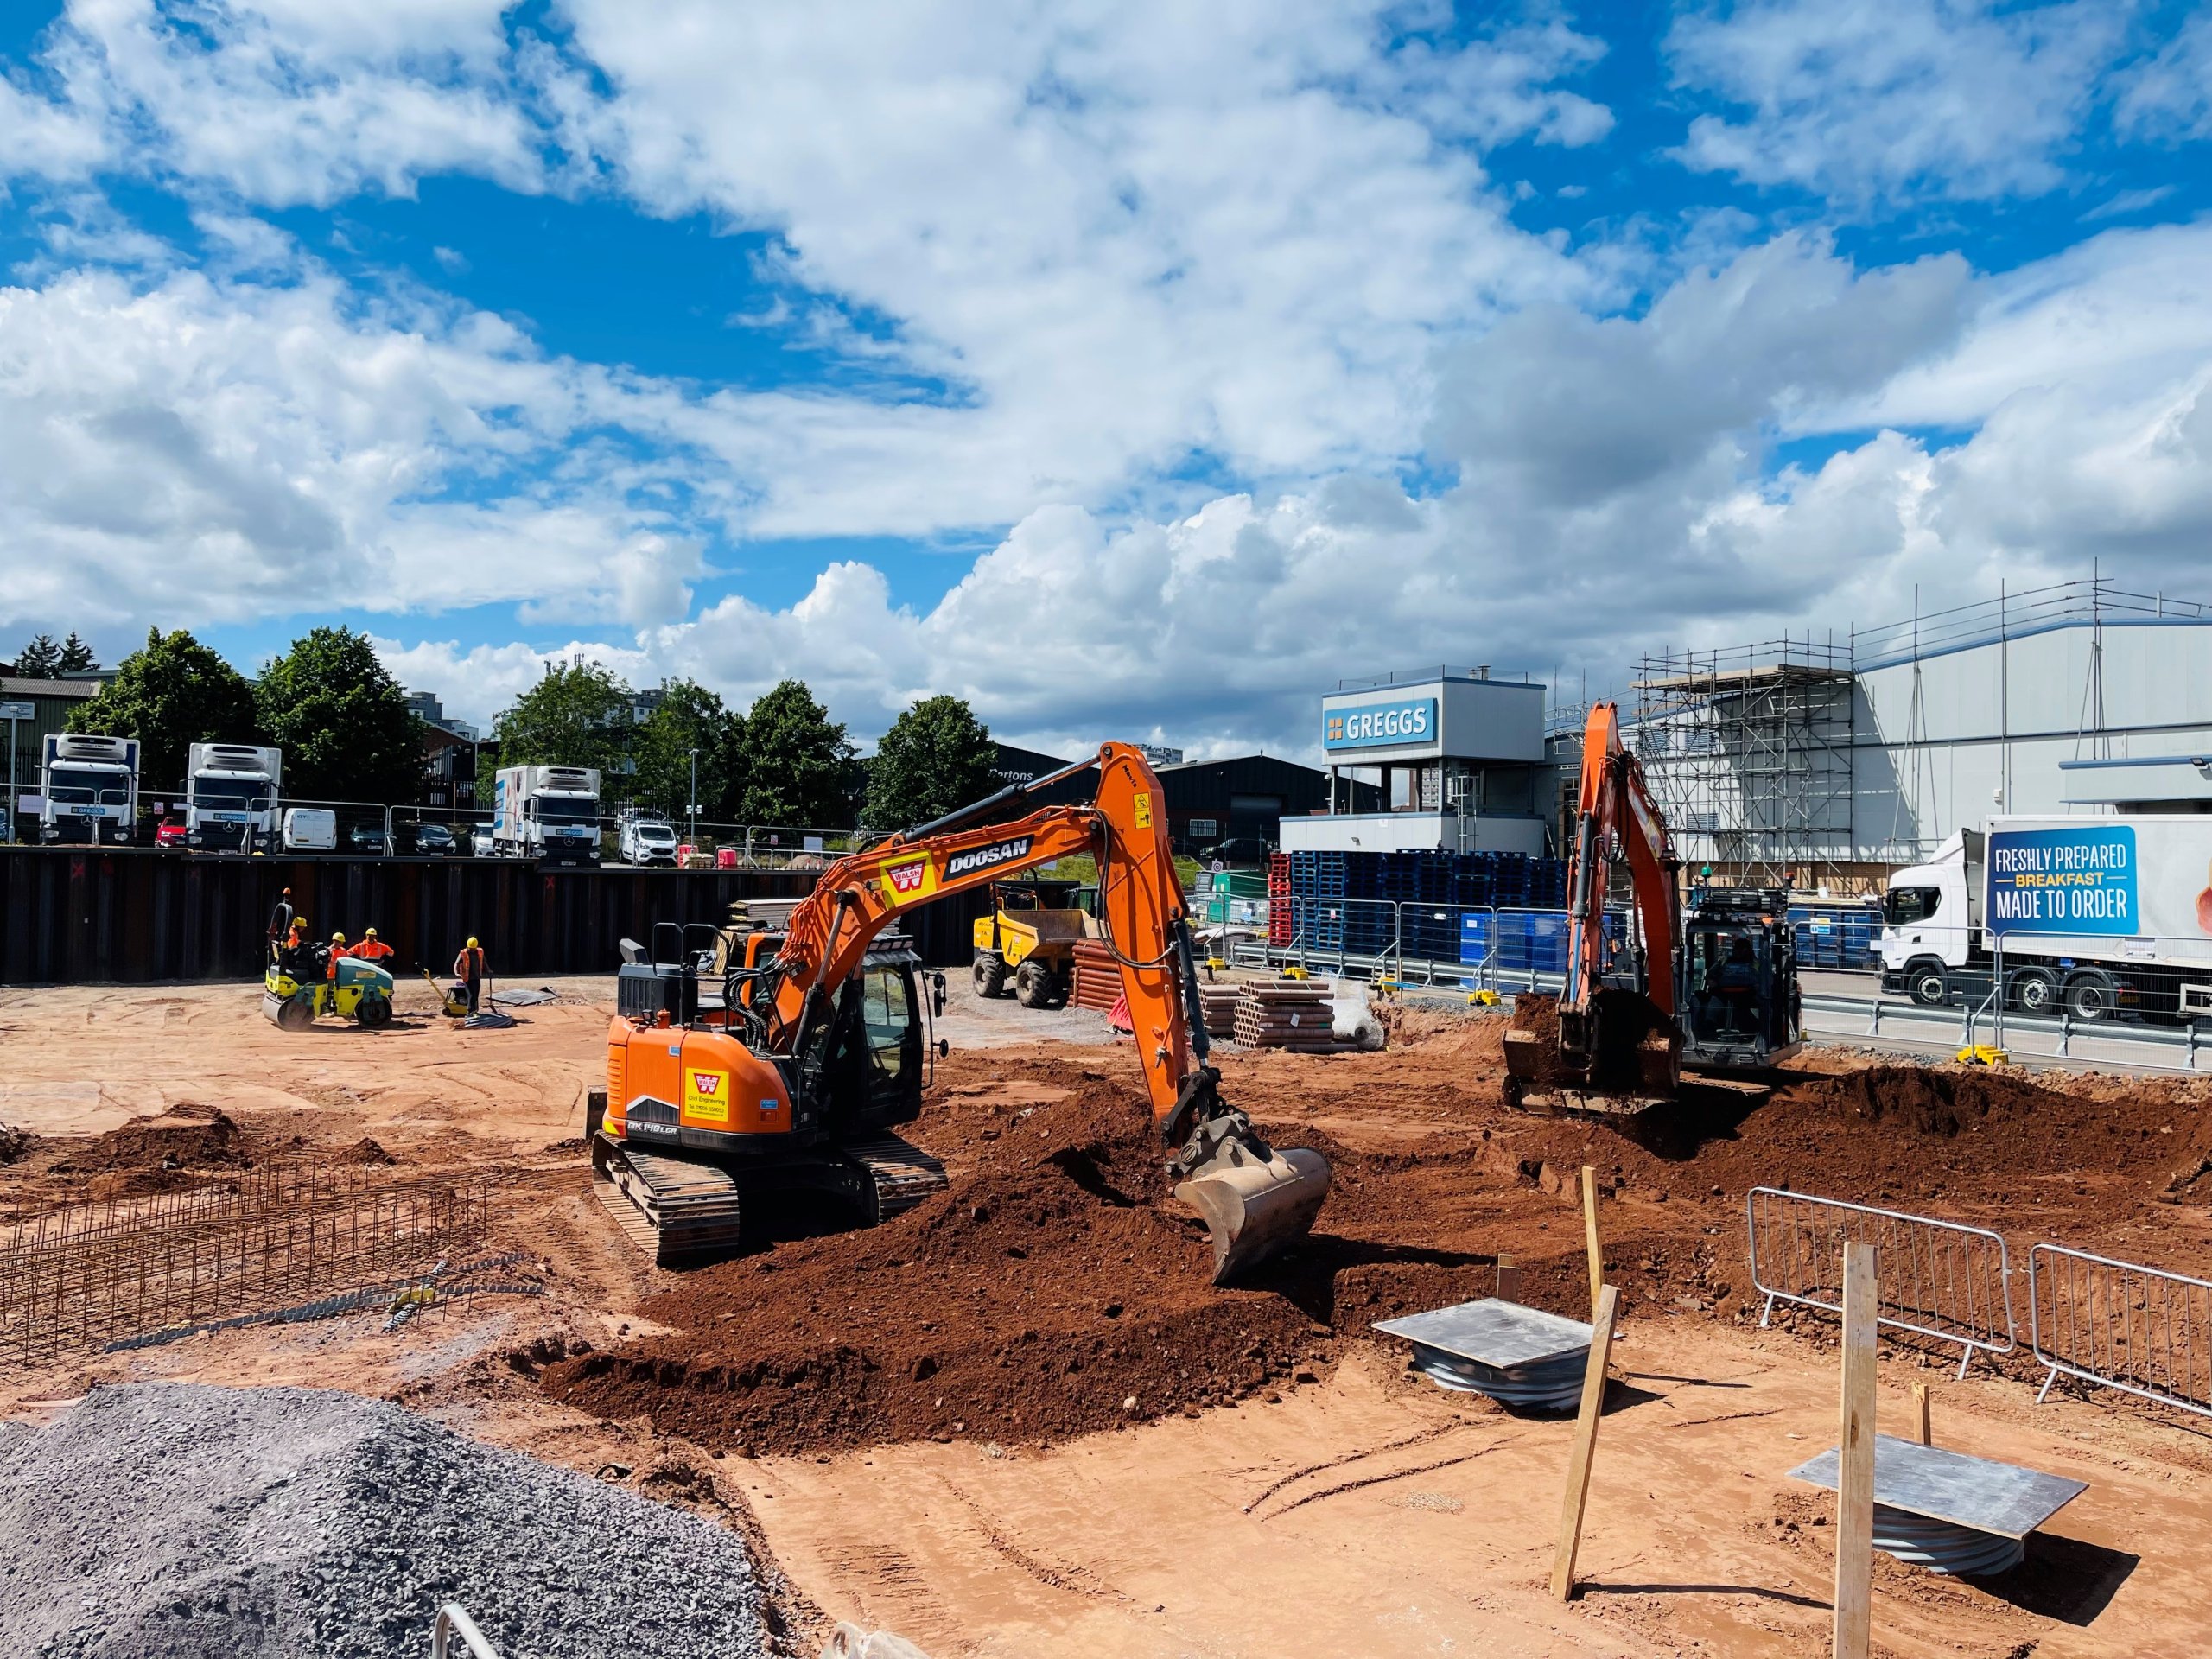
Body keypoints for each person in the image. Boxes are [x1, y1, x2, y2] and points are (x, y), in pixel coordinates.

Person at [454, 936, 486, 1014]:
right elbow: (456, 963)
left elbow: (484, 961)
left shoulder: (479, 952)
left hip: (476, 977)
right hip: (467, 978)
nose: (471, 950)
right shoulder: (463, 953)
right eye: (470, 948)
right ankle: (469, 1011)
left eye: (473, 949)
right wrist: (456, 972)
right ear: (468, 946)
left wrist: (489, 970)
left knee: (475, 995)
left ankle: (475, 1010)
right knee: (470, 995)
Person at [265, 887, 295, 964]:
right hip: (281, 938)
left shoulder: (282, 907)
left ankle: (278, 962)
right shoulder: (286, 909)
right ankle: (280, 964)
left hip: (280, 936)